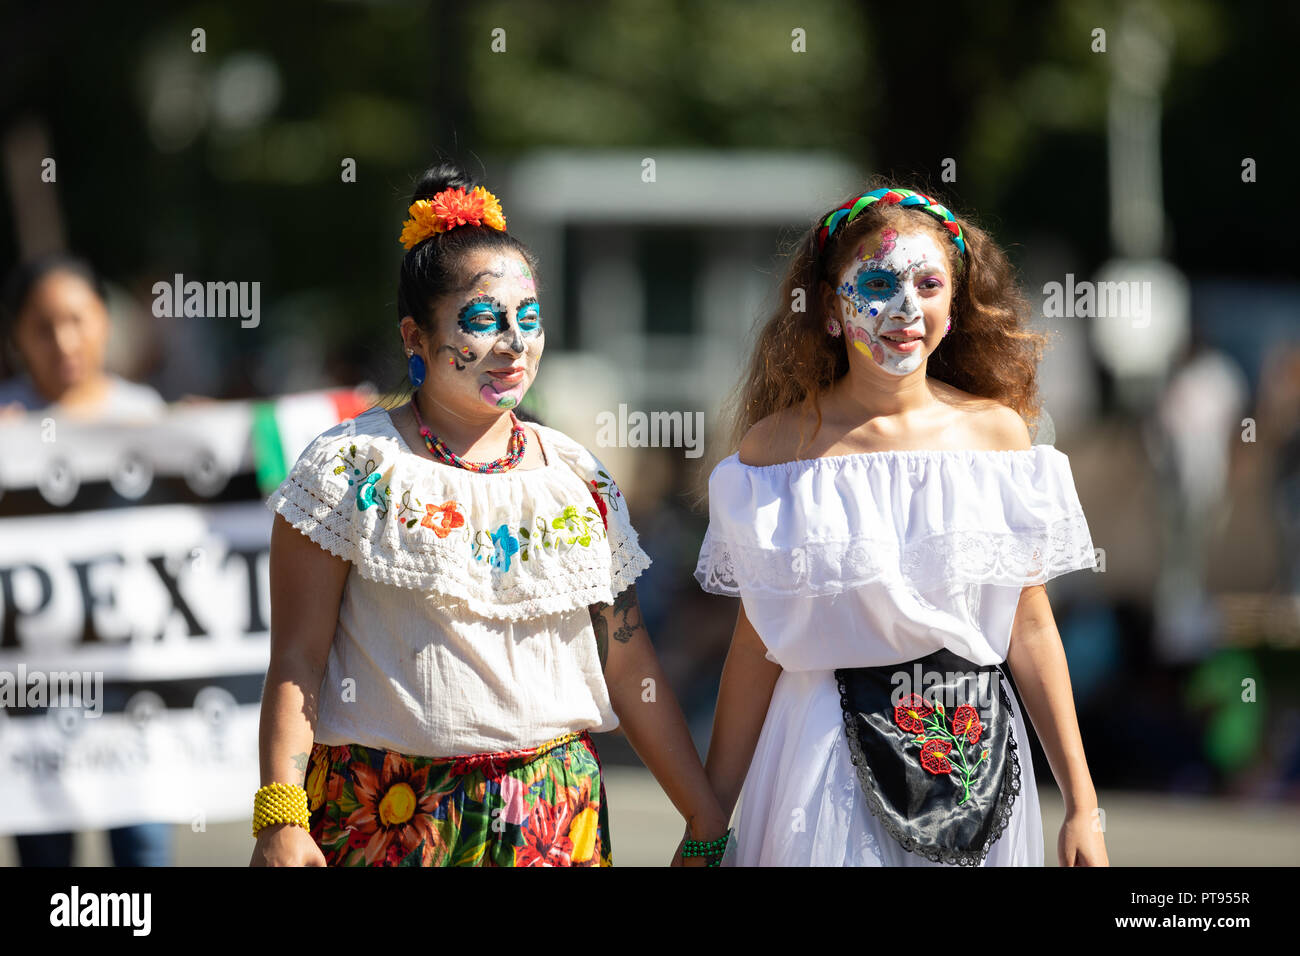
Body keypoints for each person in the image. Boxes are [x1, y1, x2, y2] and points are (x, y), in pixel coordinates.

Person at [251, 162, 731, 866]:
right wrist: (280, 815)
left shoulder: (578, 479)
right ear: (414, 337)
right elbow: (296, 658)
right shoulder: (349, 467)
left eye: (528, 319)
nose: (513, 342)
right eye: (483, 320)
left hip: (551, 823)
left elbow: (629, 666)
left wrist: (704, 814)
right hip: (385, 817)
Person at [695, 186, 1109, 866]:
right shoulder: (775, 456)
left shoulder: (998, 439)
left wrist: (1084, 806)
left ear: (954, 306)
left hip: (975, 756)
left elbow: (1029, 627)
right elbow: (754, 646)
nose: (906, 306)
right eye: (880, 282)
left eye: (928, 283)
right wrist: (709, 816)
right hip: (820, 762)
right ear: (830, 309)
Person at [1, 254, 171, 866]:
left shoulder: (147, 416)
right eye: (42, 327)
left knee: (143, 854)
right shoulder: (7, 425)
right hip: (33, 702)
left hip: (137, 696)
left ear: (103, 321)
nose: (63, 341)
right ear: (17, 336)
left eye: (76, 319)